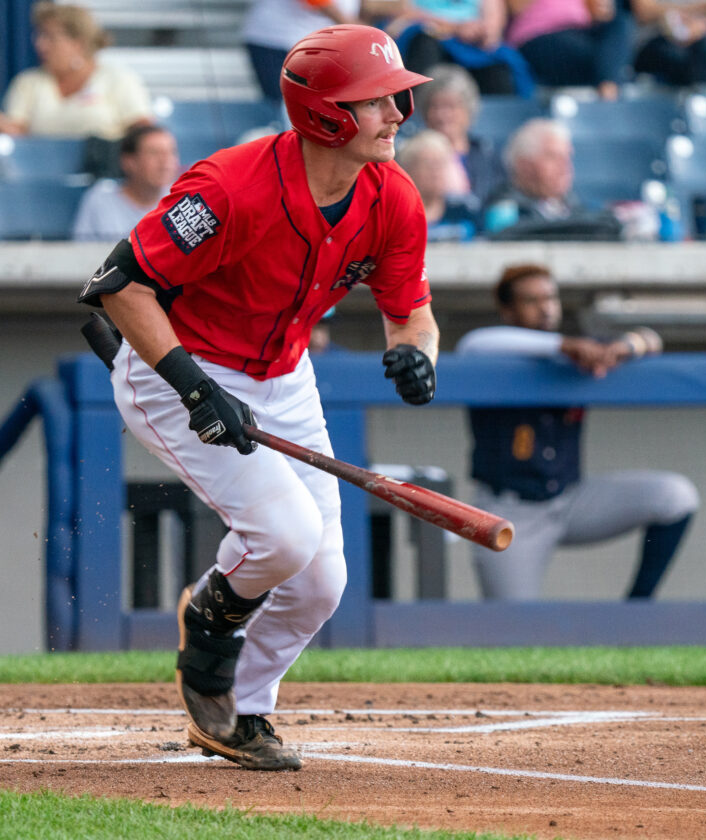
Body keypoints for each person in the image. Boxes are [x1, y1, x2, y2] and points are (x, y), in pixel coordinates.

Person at [78, 25, 438, 770]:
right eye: (377, 101)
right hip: (176, 367)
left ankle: (239, 712)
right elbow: (119, 286)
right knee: (284, 537)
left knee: (321, 583)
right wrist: (195, 388)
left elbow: (412, 311)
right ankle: (210, 627)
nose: (397, 114)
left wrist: (416, 352)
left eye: (397, 98)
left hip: (284, 376)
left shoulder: (393, 196)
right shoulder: (229, 187)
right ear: (326, 116)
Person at [455, 263, 699, 600]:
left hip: (571, 500)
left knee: (675, 496)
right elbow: (472, 344)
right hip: (510, 512)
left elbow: (650, 338)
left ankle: (637, 608)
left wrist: (624, 347)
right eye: (531, 300)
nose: (545, 308)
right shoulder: (499, 353)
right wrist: (564, 346)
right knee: (514, 627)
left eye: (550, 298)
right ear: (508, 310)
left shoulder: (581, 351)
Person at [0, 2, 152, 140]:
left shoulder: (118, 79)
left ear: (78, 43)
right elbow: (16, 140)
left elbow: (144, 133)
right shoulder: (27, 83)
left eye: (49, 37)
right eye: (38, 35)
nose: (40, 44)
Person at [483, 117, 623, 239]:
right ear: (524, 165)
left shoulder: (577, 208)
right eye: (553, 157)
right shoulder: (504, 210)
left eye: (567, 157)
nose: (565, 166)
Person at [385, 0, 535, 95]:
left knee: (499, 67)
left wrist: (483, 32)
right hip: (431, 40)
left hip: (473, 45)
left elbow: (493, 28)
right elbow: (403, 11)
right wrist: (456, 28)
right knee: (424, 44)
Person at [413, 63, 504, 206]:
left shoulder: (486, 153)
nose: (442, 115)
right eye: (434, 106)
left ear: (468, 111)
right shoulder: (412, 156)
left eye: (450, 106)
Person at [505, 0, 634, 100]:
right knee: (604, 59)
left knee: (620, 22)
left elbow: (600, 13)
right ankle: (610, 92)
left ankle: (609, 87)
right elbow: (516, 7)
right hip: (536, 36)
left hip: (580, 31)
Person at [72, 124, 179, 241]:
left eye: (171, 152)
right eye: (154, 153)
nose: (165, 161)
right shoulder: (99, 200)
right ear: (129, 162)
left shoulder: (181, 201)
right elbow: (81, 249)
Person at [397, 128, 482, 240]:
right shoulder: (396, 214)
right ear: (409, 170)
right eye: (428, 164)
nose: (435, 171)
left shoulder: (466, 210)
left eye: (441, 163)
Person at [628, 0, 706, 87]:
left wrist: (705, 25)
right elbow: (643, 11)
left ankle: (704, 99)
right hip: (656, 38)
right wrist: (682, 20)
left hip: (704, 37)